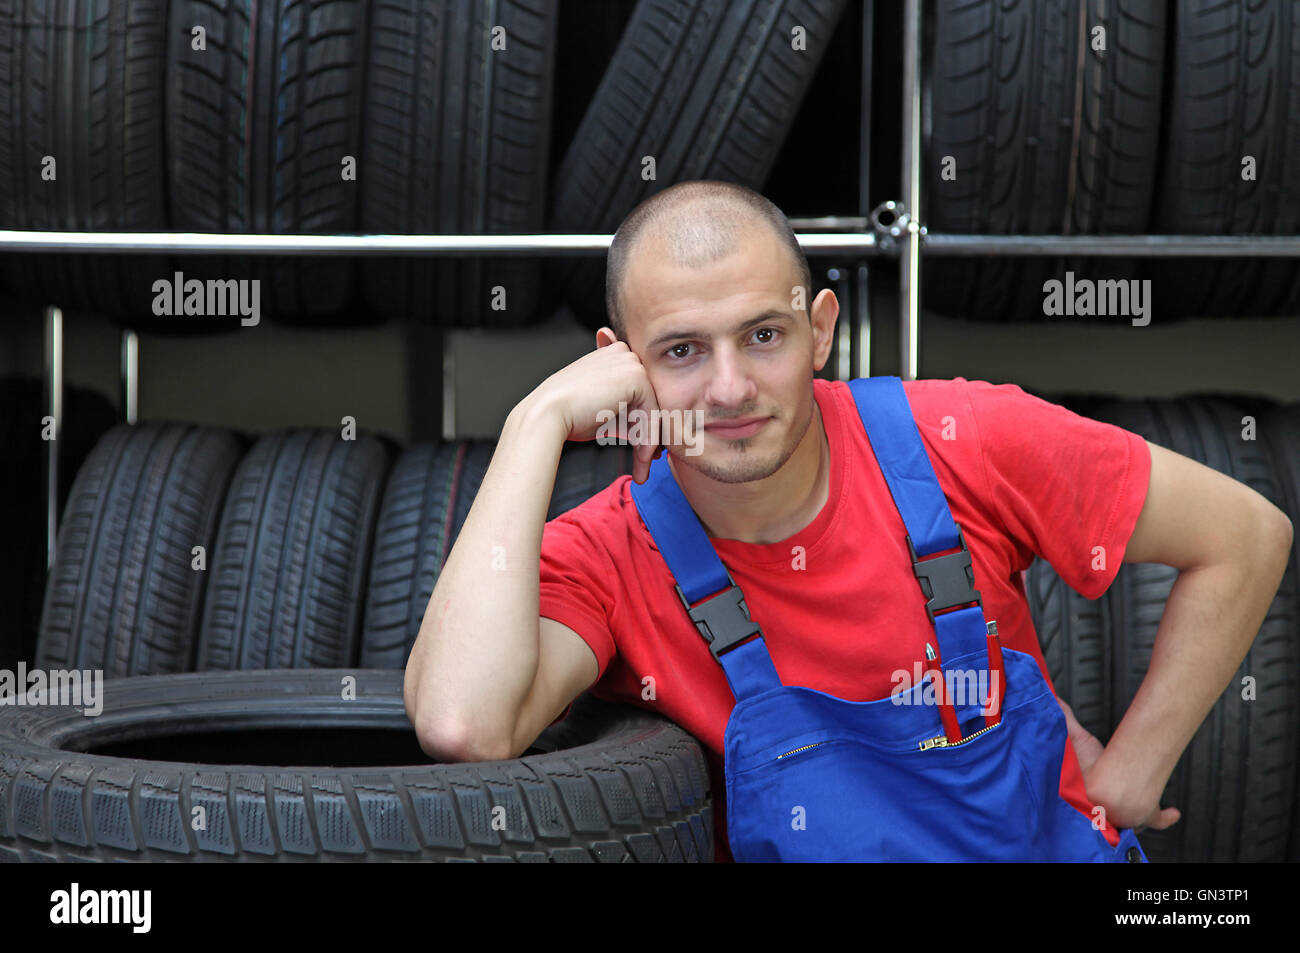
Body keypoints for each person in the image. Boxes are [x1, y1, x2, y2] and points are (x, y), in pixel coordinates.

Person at [403, 180, 1294, 862]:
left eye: (763, 335)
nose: (729, 389)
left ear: (820, 330)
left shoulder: (964, 440)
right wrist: (535, 423)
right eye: (681, 351)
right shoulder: (610, 554)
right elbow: (464, 725)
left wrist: (1135, 769)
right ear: (620, 366)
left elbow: (1246, 535)